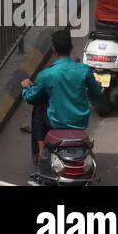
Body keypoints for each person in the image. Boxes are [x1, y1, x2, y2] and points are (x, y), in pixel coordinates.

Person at [21, 30, 102, 159]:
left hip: (57, 122)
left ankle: (41, 151)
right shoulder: (84, 70)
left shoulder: (46, 74)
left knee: (39, 107)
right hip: (80, 121)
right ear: (71, 47)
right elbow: (97, 92)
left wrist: (25, 88)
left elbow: (31, 97)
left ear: (53, 49)